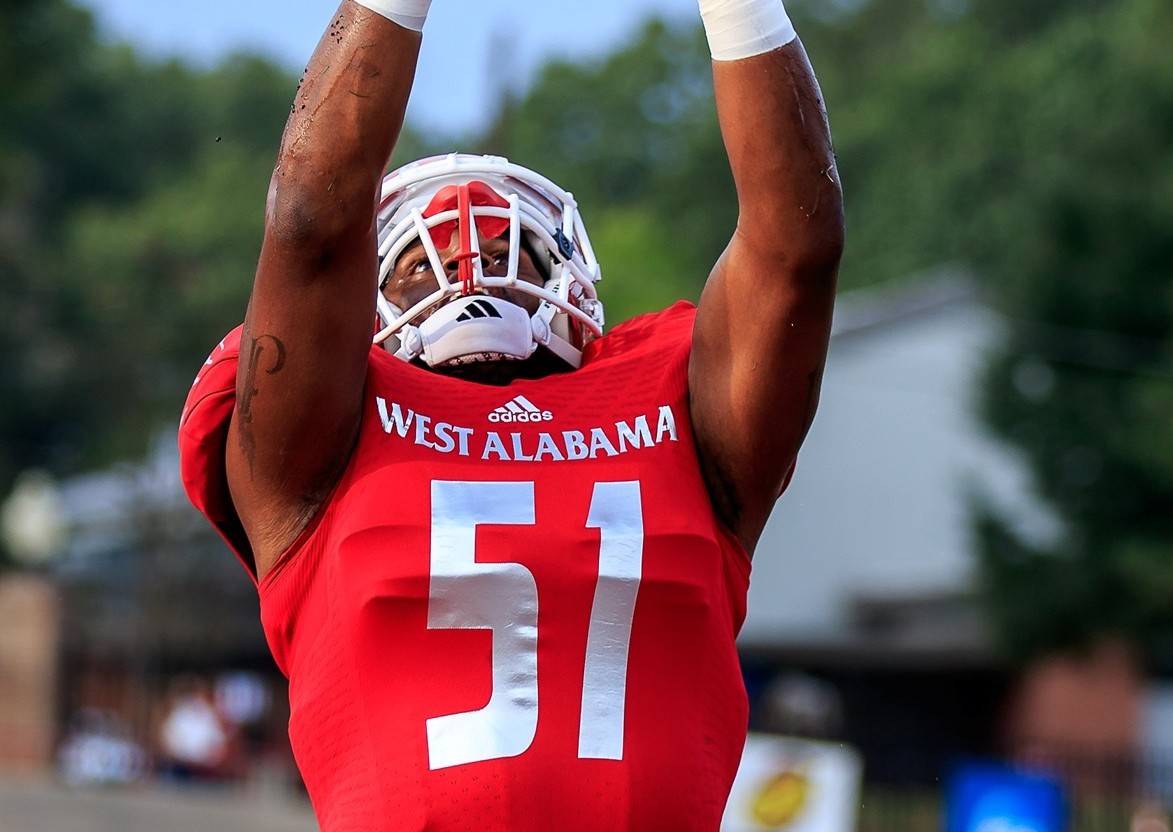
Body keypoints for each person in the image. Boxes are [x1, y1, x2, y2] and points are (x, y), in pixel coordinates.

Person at [179, 0, 842, 827]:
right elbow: (312, 212)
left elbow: (797, 241)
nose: (471, 276)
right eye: (422, 265)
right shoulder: (320, 437)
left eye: (505, 253)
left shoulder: (684, 406)